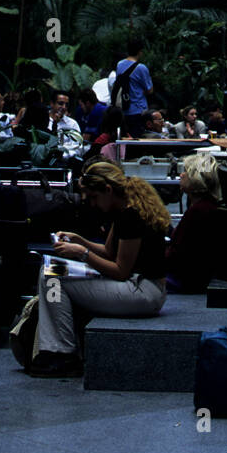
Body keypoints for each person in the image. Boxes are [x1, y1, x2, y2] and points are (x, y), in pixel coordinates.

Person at [31, 161, 170, 378]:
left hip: (144, 292)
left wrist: (82, 254)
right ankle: (58, 349)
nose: (92, 203)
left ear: (108, 190)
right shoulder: (126, 207)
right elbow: (108, 251)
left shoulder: (130, 215)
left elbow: (120, 270)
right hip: (143, 287)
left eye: (94, 197)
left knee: (52, 275)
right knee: (51, 270)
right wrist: (80, 241)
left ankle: (62, 352)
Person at [165, 152, 221, 293]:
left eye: (185, 172)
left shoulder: (198, 210)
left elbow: (177, 255)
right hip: (199, 276)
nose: (181, 175)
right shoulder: (209, 205)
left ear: (196, 178)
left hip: (188, 280)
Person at [116, 42, 154, 138]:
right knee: (139, 138)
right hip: (138, 109)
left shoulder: (119, 65)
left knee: (127, 137)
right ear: (140, 52)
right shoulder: (141, 68)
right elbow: (150, 90)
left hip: (124, 108)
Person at [49, 91, 84, 157]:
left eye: (66, 105)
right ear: (52, 103)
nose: (64, 107)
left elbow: (78, 148)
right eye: (60, 103)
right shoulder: (43, 120)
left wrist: (63, 155)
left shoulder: (72, 124)